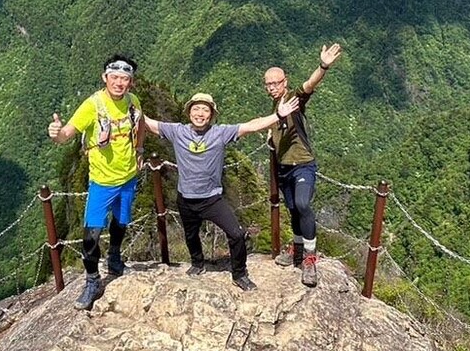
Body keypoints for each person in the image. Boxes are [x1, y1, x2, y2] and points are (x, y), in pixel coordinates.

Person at [145, 91, 299, 291]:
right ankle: (197, 263)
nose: (200, 113)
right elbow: (148, 124)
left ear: (211, 115)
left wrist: (278, 115)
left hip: (212, 199)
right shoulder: (177, 131)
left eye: (205, 110)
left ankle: (239, 273)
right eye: (196, 109)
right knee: (191, 235)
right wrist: (127, 102)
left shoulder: (220, 133)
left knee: (236, 234)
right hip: (186, 198)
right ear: (189, 112)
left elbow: (251, 126)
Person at [48, 55, 143, 311]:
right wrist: (57, 134)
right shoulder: (93, 104)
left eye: (125, 79)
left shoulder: (133, 102)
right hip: (102, 182)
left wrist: (141, 151)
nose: (119, 83)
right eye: (115, 77)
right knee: (91, 233)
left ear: (131, 82)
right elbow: (69, 133)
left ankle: (114, 258)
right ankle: (92, 280)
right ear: (105, 78)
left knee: (121, 223)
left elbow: (140, 126)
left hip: (128, 177)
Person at [264, 43, 341, 287]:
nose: (273, 87)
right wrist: (271, 136)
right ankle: (297, 249)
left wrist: (323, 66)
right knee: (292, 209)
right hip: (283, 167)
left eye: (277, 82)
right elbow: (275, 126)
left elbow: (309, 85)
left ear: (285, 82)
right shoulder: (273, 106)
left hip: (302, 165)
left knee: (302, 204)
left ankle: (309, 258)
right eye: (269, 84)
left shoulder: (294, 100)